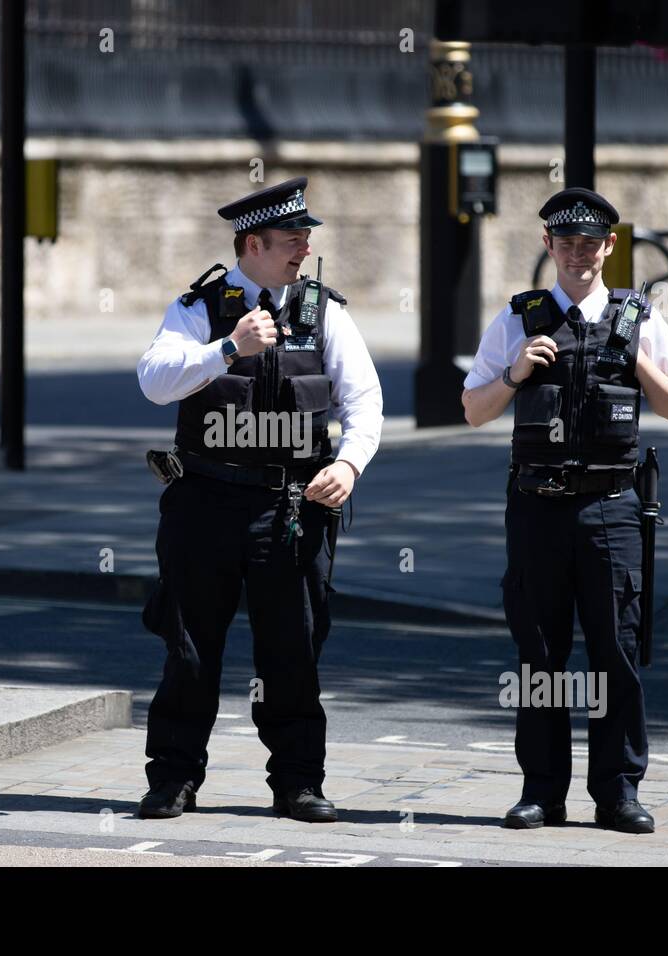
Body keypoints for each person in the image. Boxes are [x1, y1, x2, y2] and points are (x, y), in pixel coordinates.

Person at [136, 177, 383, 822]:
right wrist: (227, 349)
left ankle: (298, 782)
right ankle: (173, 779)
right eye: (291, 239)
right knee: (190, 651)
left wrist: (350, 465)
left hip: (290, 509)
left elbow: (365, 400)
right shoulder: (200, 307)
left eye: (306, 237)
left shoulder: (324, 311)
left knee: (292, 652)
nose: (304, 248)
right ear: (253, 244)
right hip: (205, 503)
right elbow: (155, 383)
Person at [461, 187, 668, 834]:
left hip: (612, 507)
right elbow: (472, 410)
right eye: (566, 243)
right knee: (541, 655)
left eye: (590, 243)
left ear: (610, 247)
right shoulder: (519, 319)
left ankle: (618, 792)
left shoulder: (639, 317)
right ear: (548, 246)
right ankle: (542, 791)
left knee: (615, 651)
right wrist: (512, 375)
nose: (578, 254)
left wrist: (639, 360)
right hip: (537, 508)